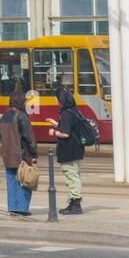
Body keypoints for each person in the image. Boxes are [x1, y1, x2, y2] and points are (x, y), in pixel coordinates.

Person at [0, 88, 38, 217]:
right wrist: (34, 154)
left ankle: (13, 208)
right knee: (24, 181)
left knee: (11, 182)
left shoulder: (4, 115)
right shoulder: (21, 116)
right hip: (21, 155)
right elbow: (29, 137)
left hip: (7, 155)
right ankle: (22, 209)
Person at [53, 86, 85, 215]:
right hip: (76, 149)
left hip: (68, 150)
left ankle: (76, 204)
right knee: (74, 175)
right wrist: (57, 124)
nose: (56, 101)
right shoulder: (75, 111)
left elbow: (65, 134)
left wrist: (54, 132)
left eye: (56, 99)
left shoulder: (66, 114)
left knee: (71, 176)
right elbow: (70, 128)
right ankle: (73, 202)